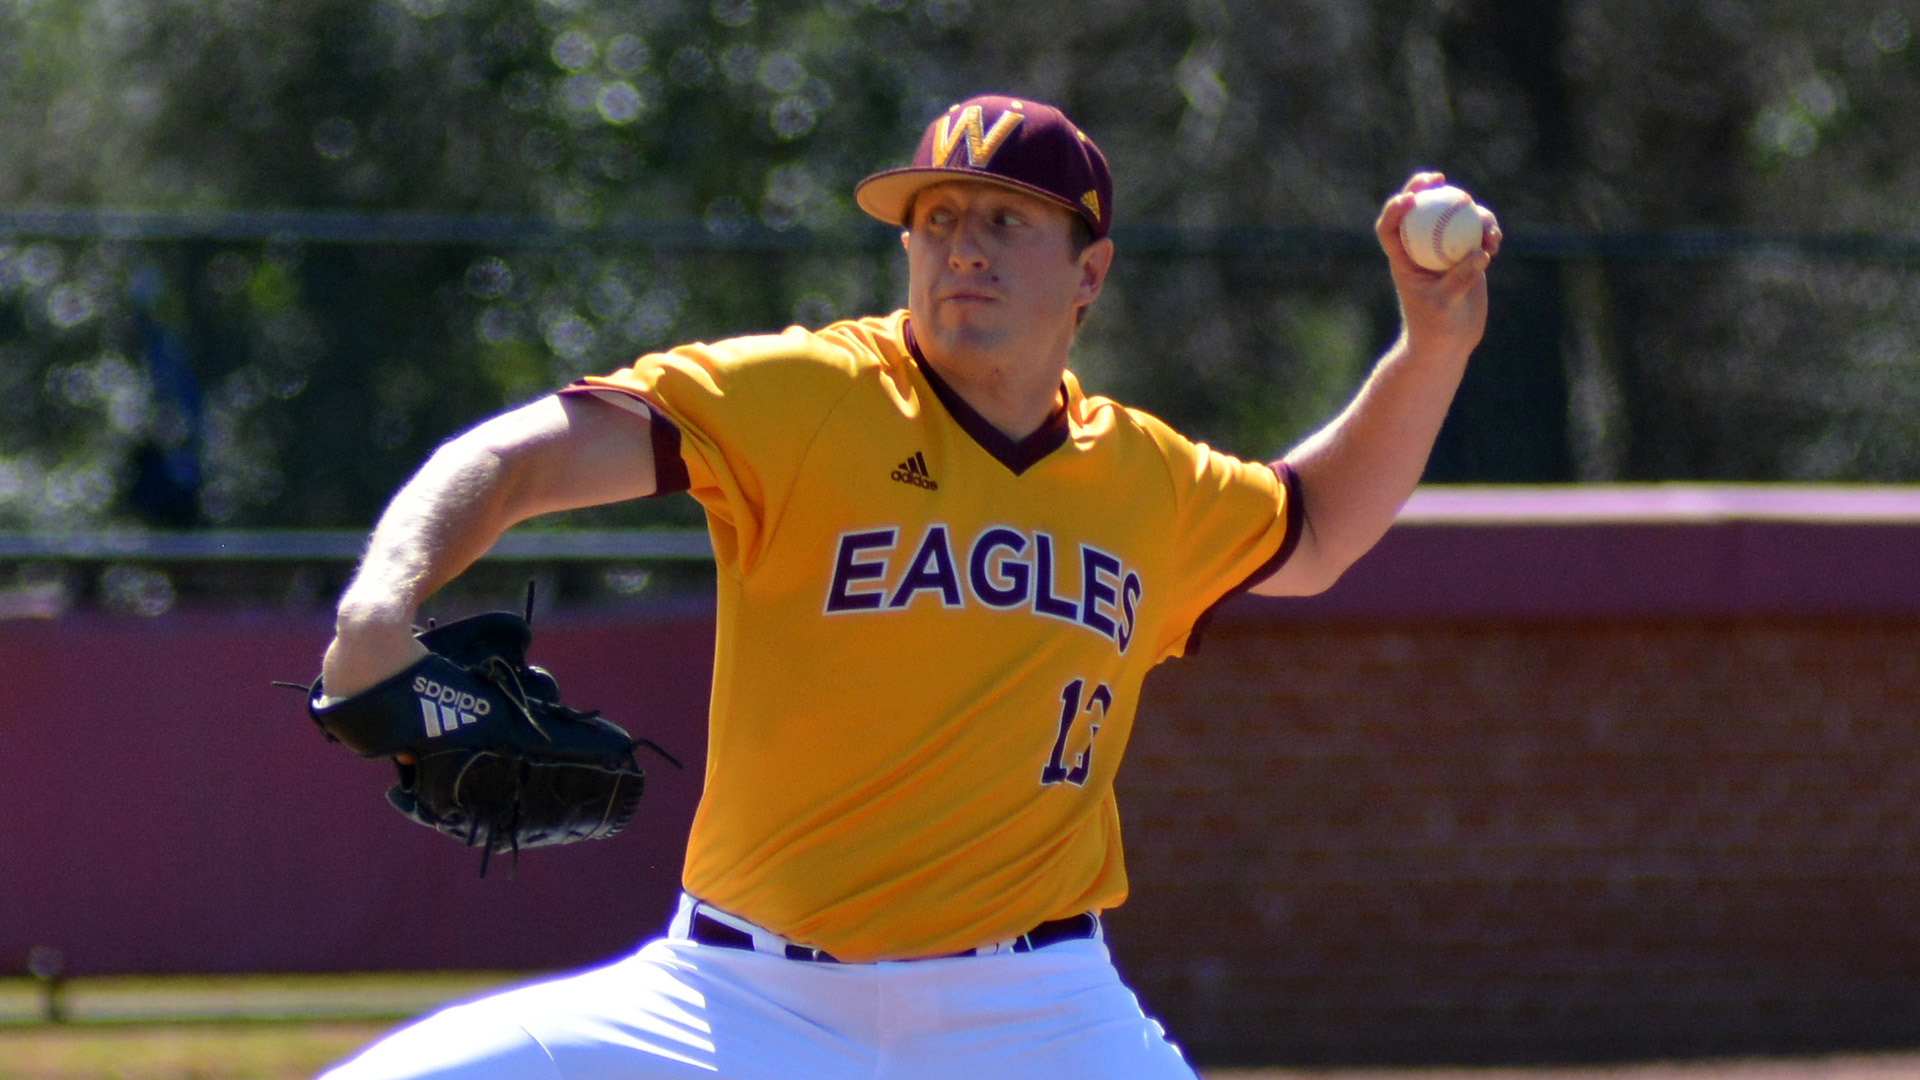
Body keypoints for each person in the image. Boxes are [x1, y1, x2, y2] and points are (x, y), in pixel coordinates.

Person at [317, 94, 1500, 1080]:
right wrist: (378, 607)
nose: (961, 244)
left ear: (1091, 271)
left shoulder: (1145, 477)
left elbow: (1318, 524)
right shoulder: (807, 397)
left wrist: (1433, 344)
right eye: (934, 220)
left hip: (1037, 1013)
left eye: (1002, 218)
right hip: (735, 999)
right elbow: (518, 457)